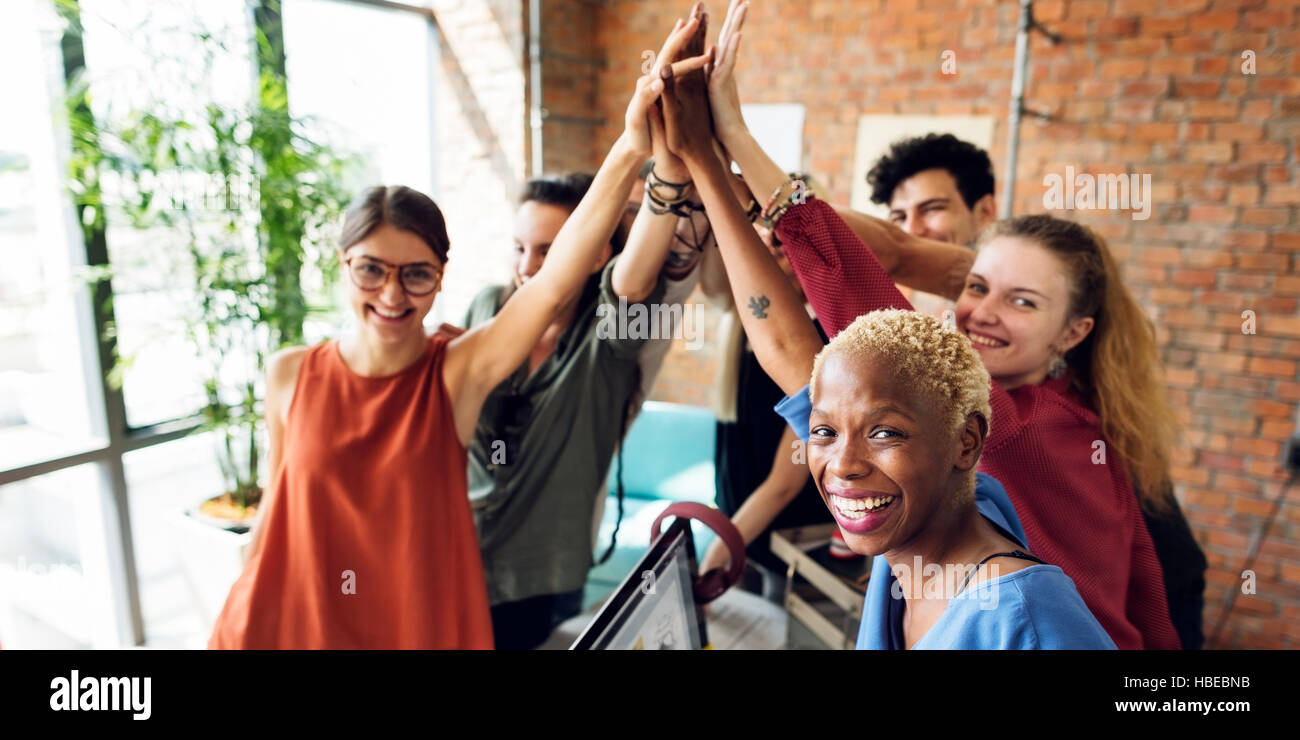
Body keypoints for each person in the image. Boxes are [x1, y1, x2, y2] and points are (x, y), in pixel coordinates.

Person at [657, 0, 1180, 649]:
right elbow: (870, 275)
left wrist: (726, 136)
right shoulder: (1060, 401)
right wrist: (707, 159)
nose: (982, 312)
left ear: (1074, 331)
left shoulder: (1021, 423)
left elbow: (844, 295)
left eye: (1022, 302)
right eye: (977, 287)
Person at [208, 15, 713, 649]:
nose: (392, 294)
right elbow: (274, 516)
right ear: (342, 266)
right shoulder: (287, 374)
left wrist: (631, 146)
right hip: (297, 621)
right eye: (371, 270)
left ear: (439, 276)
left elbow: (557, 280)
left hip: (411, 623)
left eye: (415, 274)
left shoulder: (456, 371)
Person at [461, 10, 715, 650]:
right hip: (455, 556)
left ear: (591, 249)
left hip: (537, 579)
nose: (526, 269)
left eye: (548, 250)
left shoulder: (605, 337)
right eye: (519, 247)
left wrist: (667, 159)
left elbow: (632, 279)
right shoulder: (487, 305)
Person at [778, 309, 1114, 648]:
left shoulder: (1025, 615)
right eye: (824, 431)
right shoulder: (907, 535)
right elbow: (782, 344)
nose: (843, 465)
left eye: (884, 433)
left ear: (965, 441)